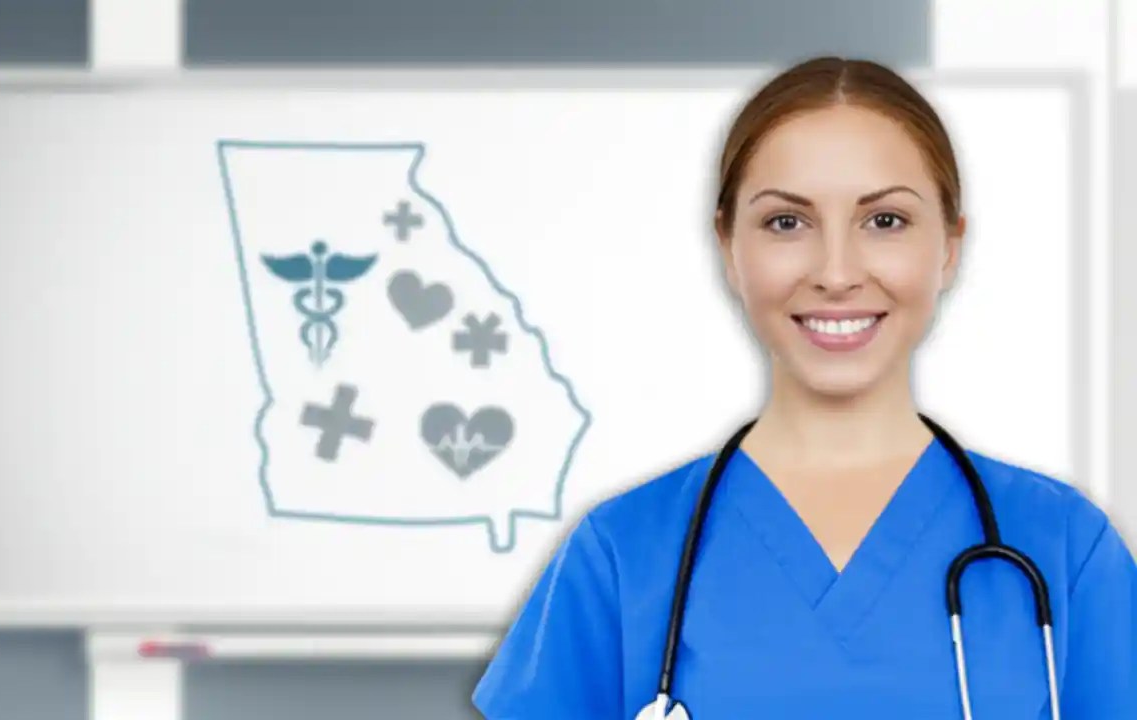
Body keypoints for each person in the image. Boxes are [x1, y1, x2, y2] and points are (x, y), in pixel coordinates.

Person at [470, 56, 1137, 719]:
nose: (837, 271)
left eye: (885, 221)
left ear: (950, 247)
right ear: (729, 246)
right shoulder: (621, 557)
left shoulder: (1064, 548)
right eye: (788, 222)